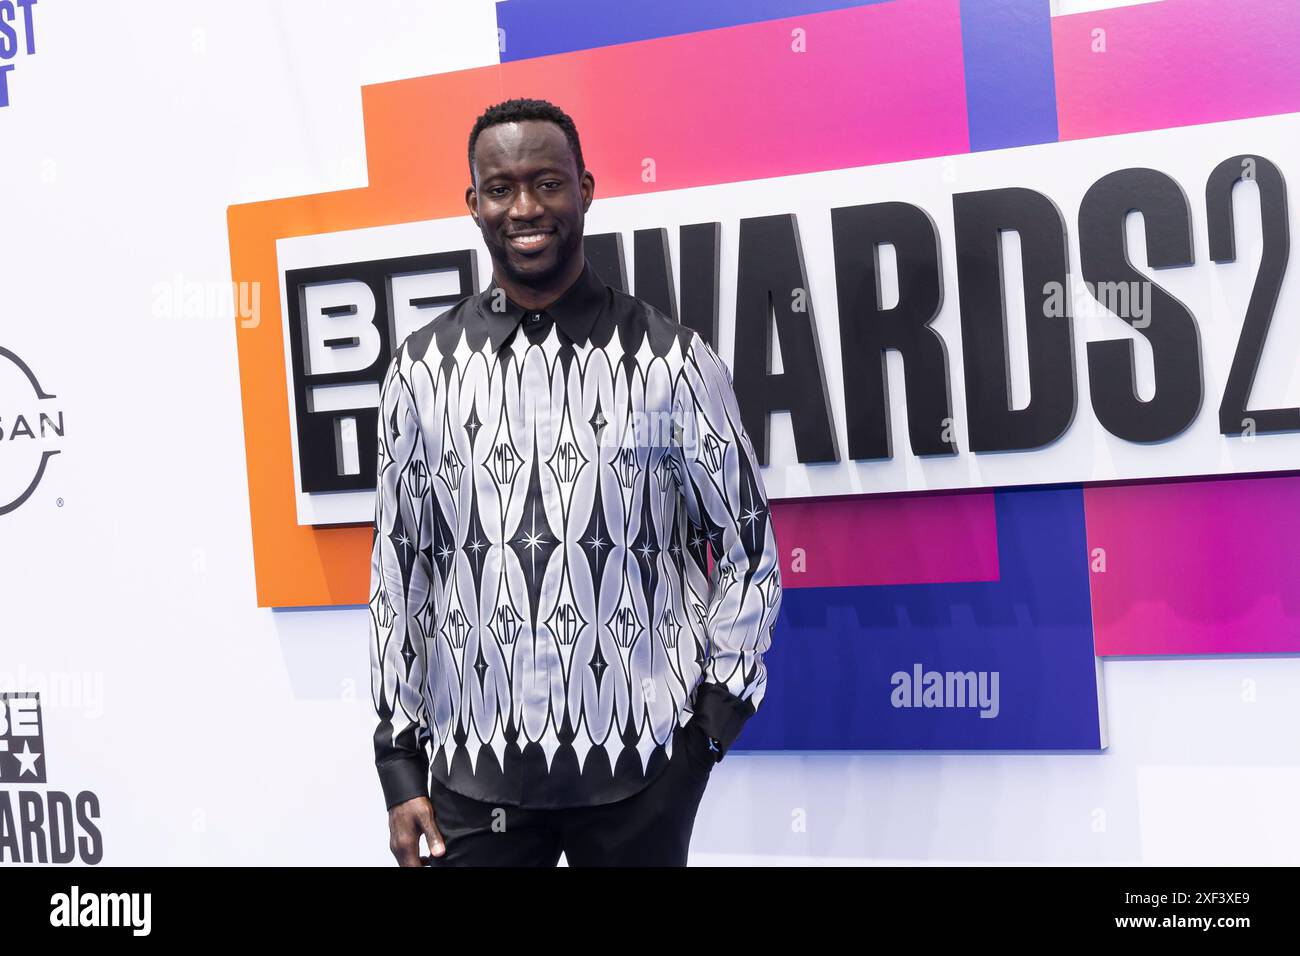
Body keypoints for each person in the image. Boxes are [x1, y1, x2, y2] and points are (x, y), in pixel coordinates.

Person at [367, 97, 782, 866]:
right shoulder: (421, 373)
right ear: (473, 204)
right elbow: (400, 573)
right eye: (501, 188)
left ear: (586, 189)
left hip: (639, 774)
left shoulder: (671, 364)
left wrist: (708, 731)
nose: (525, 207)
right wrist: (400, 762)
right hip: (469, 776)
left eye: (548, 183)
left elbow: (748, 547)